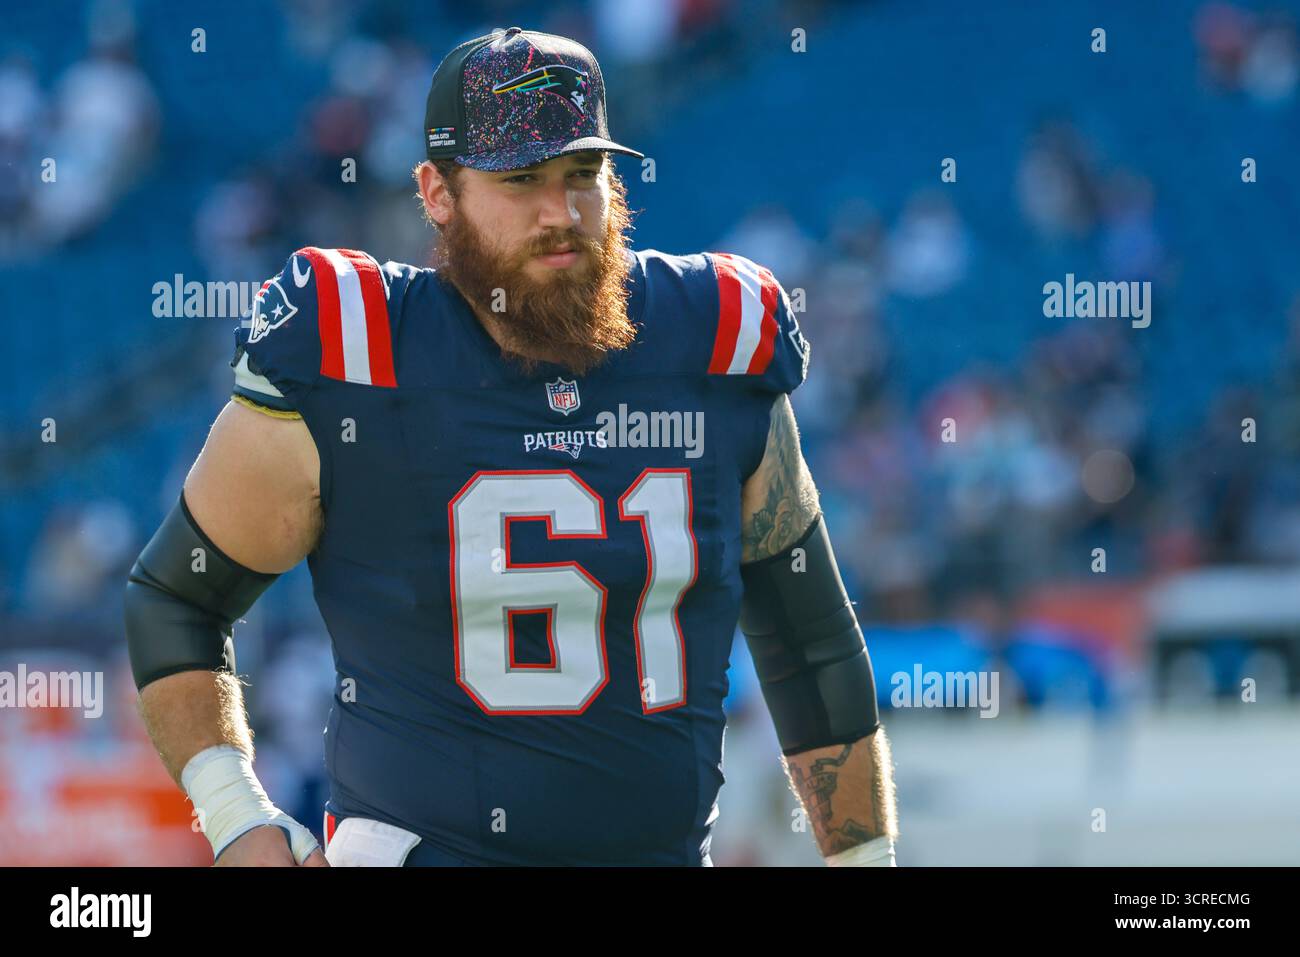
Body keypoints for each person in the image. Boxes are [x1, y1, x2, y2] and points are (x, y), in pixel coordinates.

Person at [124, 26, 896, 867]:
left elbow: (810, 642)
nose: (561, 214)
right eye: (522, 180)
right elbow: (178, 601)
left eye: (582, 175)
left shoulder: (714, 338)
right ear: (437, 192)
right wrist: (237, 817)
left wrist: (865, 861)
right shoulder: (354, 349)